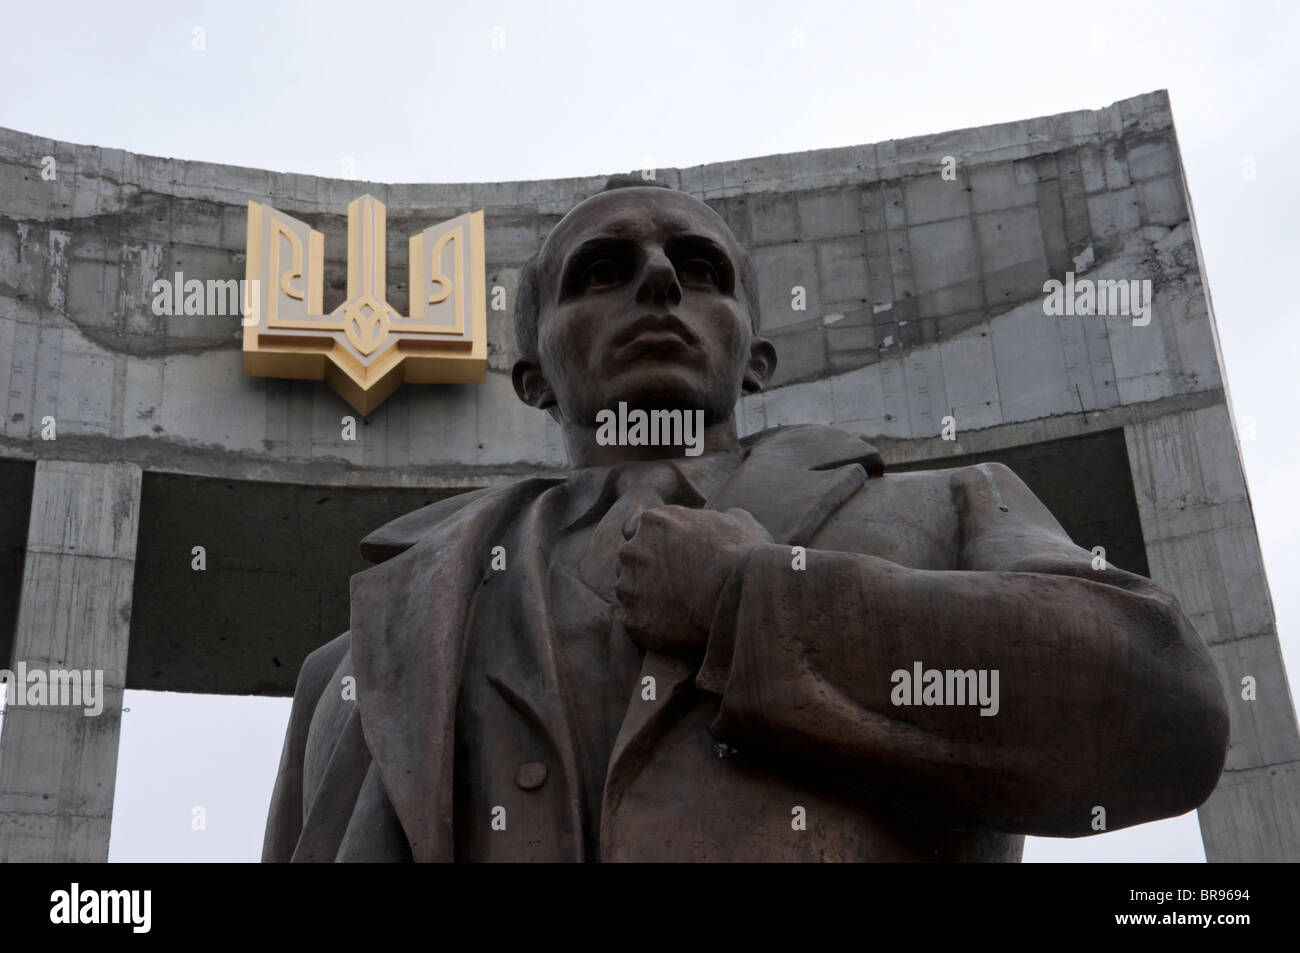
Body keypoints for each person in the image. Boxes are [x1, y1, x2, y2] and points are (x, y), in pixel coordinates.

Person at [263, 178, 1228, 862]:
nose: (658, 282)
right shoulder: (358, 654)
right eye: (601, 271)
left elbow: (1167, 707)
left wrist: (757, 603)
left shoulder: (949, 502)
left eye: (698, 268)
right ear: (532, 377)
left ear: (755, 360)